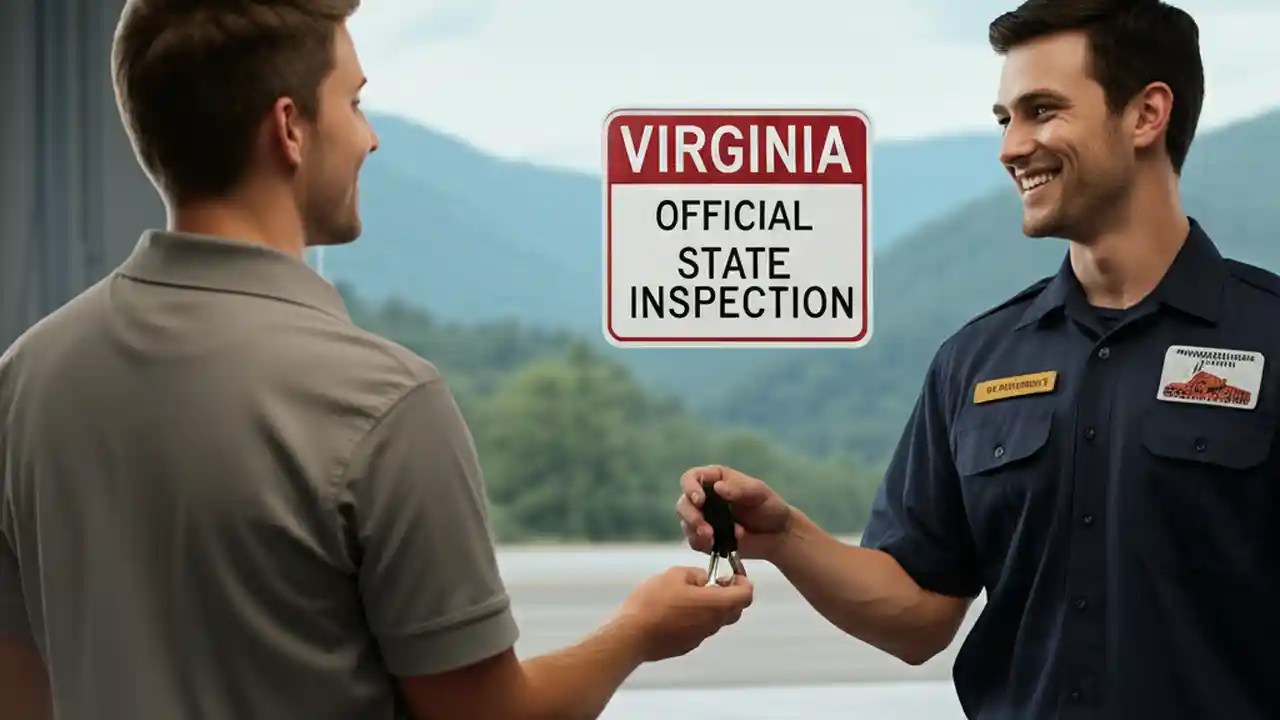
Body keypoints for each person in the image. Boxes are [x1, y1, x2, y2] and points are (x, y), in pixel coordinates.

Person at [0, 1, 753, 719]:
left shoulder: (27, 378)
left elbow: (17, 695)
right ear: (289, 129)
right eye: (355, 103)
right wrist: (638, 631)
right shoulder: (382, 402)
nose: (370, 138)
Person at [678, 0, 1280, 718]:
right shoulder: (976, 362)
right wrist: (784, 535)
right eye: (1005, 120)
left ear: (1146, 115)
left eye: (1042, 111)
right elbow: (918, 614)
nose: (1012, 147)